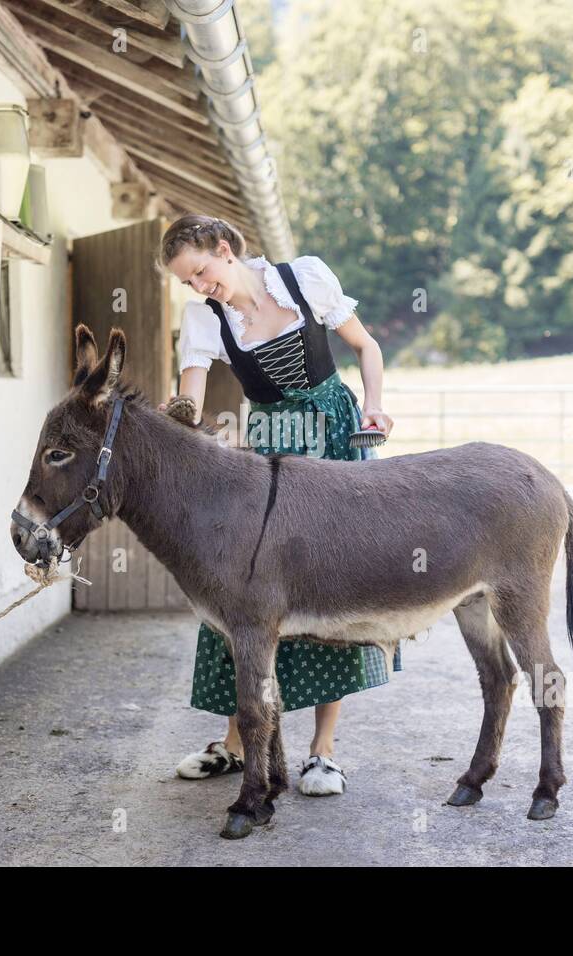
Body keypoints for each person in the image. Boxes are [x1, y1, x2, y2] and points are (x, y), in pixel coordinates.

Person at [157, 213, 399, 796]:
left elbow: (365, 346)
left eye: (200, 272)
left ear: (223, 249)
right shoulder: (204, 319)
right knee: (243, 588)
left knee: (332, 586)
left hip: (337, 439)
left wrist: (374, 405)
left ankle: (323, 752)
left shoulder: (305, 279)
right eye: (188, 282)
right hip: (269, 453)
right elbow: (191, 397)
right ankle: (237, 743)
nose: (198, 286)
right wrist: (180, 415)